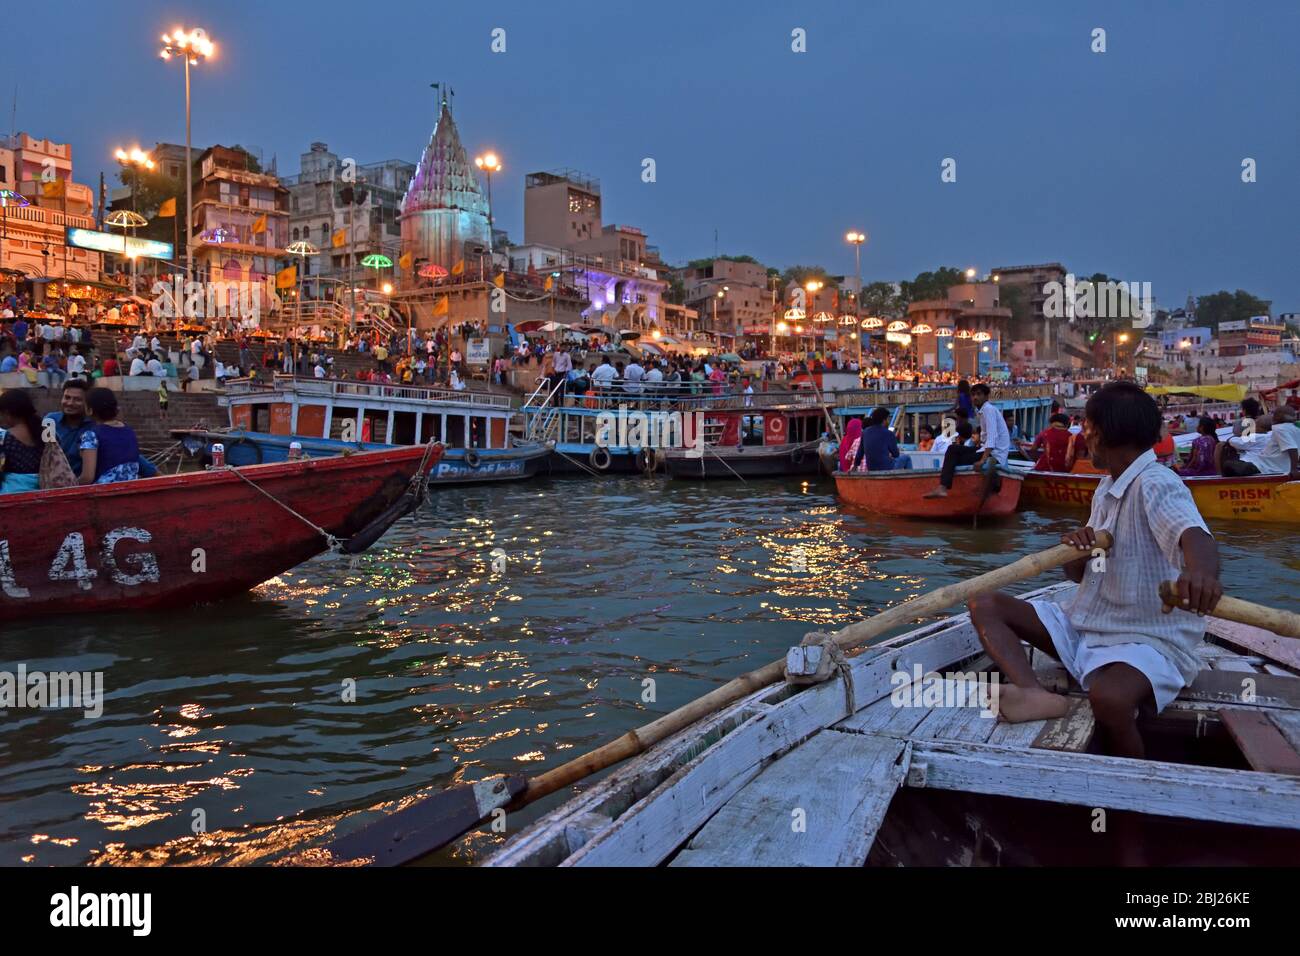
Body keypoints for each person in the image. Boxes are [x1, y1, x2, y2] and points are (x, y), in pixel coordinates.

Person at [967, 381, 1221, 762]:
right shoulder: (1106, 488)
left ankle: (1134, 785)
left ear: (1099, 432)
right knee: (985, 604)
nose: (1082, 435)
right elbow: (1076, 577)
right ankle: (1033, 693)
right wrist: (1078, 553)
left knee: (1111, 700)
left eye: (1085, 426)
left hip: (1147, 638)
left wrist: (1201, 574)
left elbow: (1194, 535)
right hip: (1090, 627)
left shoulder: (1156, 482)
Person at [924, 383, 1007, 497]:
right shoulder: (983, 411)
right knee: (953, 449)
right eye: (973, 395)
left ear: (986, 396)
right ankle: (943, 488)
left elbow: (992, 437)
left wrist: (982, 460)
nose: (975, 397)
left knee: (954, 456)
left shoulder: (988, 410)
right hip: (985, 450)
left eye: (979, 394)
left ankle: (943, 487)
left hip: (994, 455)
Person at [79, 387, 140, 485]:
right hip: (130, 490)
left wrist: (70, 486)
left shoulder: (91, 435)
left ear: (90, 410)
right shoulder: (129, 431)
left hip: (104, 494)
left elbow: (87, 477)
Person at [1221, 405, 1300, 478]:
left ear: (1278, 416)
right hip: (1279, 467)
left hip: (1265, 467)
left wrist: (1293, 469)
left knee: (1228, 465)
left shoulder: (1279, 428)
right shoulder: (1296, 430)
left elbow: (1292, 448)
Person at [0, 389, 43, 494]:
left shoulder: (3, 437)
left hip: (11, 496)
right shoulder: (49, 434)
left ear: (7, 413)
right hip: (45, 493)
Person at [854, 407, 912, 471]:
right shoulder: (888, 433)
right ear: (884, 420)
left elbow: (859, 453)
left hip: (871, 468)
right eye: (887, 420)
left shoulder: (865, 432)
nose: (888, 422)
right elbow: (896, 454)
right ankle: (910, 479)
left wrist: (855, 466)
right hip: (887, 468)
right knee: (907, 458)